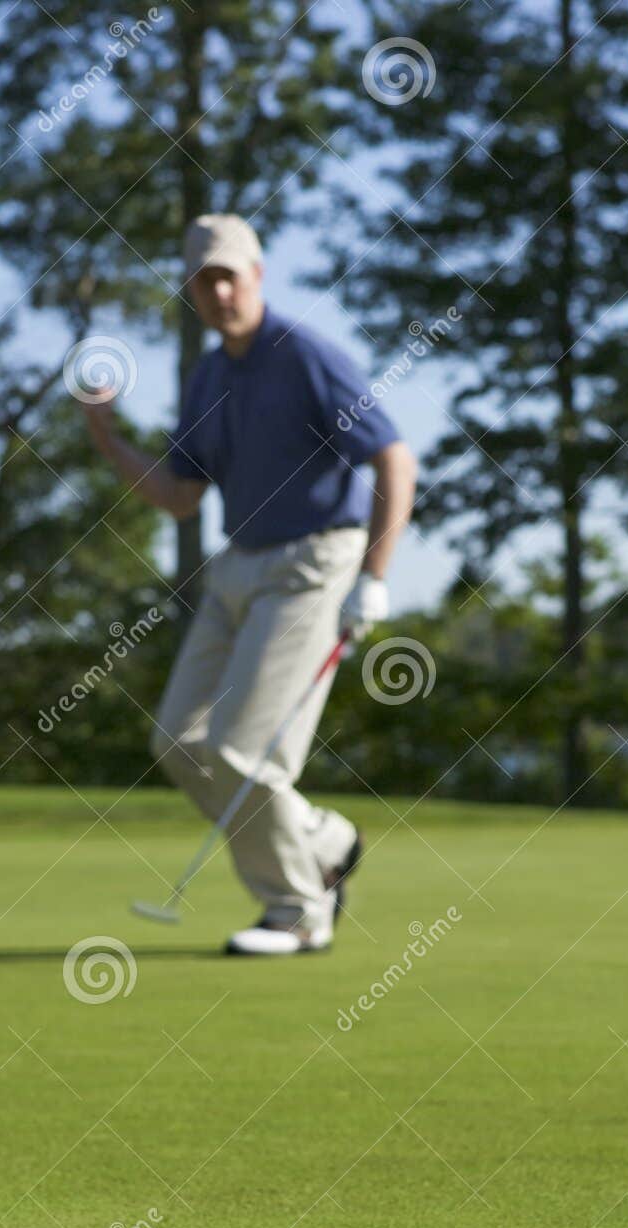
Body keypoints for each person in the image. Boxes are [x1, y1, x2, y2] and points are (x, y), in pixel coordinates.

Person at [80, 213, 416, 955]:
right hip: (238, 565)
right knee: (178, 739)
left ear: (258, 275)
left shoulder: (305, 357)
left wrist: (376, 578)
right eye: (204, 280)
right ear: (192, 291)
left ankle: (298, 912)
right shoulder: (208, 377)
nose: (219, 290)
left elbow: (393, 458)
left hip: (315, 563)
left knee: (245, 751)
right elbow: (178, 496)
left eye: (230, 274)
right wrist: (106, 436)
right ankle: (322, 838)